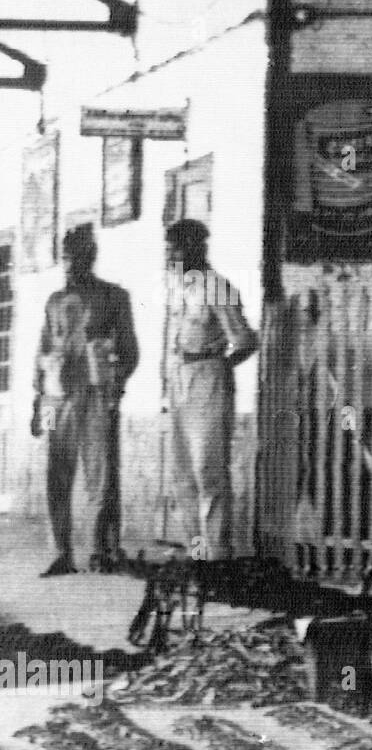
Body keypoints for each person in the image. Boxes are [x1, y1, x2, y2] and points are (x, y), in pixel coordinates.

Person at [33, 223, 139, 576]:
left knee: (102, 474)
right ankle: (62, 552)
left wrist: (115, 383)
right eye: (65, 258)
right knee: (55, 474)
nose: (70, 264)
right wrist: (39, 405)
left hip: (96, 396)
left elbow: (129, 352)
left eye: (77, 257)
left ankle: (101, 550)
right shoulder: (54, 302)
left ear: (91, 257)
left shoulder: (113, 297)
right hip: (56, 399)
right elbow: (42, 352)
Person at [164, 219, 258, 561]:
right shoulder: (179, 288)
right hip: (180, 379)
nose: (169, 255)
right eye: (168, 248)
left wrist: (219, 367)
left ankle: (218, 555)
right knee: (183, 471)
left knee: (209, 469)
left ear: (193, 249)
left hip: (209, 377)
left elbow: (246, 340)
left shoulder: (218, 288)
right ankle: (196, 552)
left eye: (175, 248)